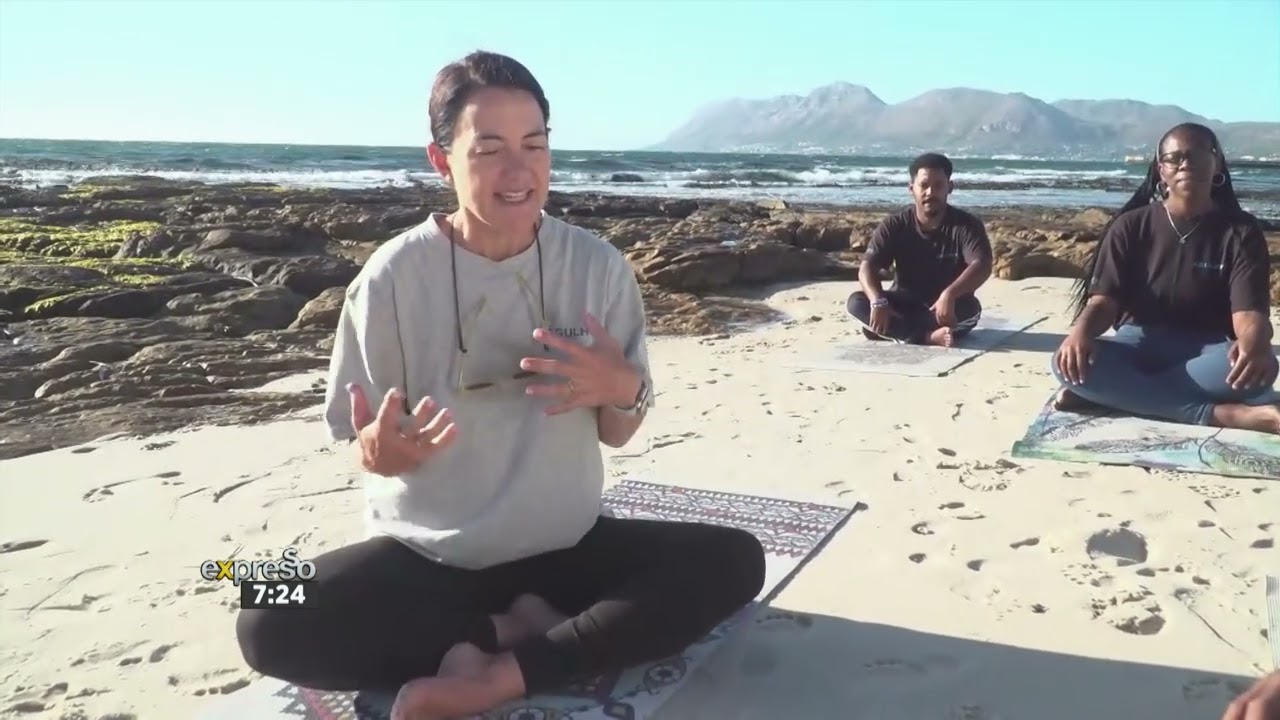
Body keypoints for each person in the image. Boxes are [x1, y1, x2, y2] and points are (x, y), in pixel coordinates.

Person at [233, 51, 766, 720]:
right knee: (264, 608)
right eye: (489, 149)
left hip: (567, 547)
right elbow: (363, 441)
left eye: (534, 145)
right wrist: (379, 453)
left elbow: (621, 432)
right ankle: (504, 632)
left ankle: (501, 674)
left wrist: (619, 385)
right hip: (426, 559)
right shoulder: (392, 279)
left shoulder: (596, 267)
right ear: (441, 160)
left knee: (734, 560)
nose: (519, 171)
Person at [1051, 122, 1280, 433]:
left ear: (1216, 164)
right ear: (1161, 170)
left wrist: (1254, 341)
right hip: (1136, 346)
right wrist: (1080, 332)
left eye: (1197, 155)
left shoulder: (1240, 231)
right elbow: (1104, 301)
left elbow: (1248, 313)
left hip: (1208, 351)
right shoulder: (1130, 226)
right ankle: (1224, 415)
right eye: (1174, 158)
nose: (1185, 163)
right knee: (1066, 364)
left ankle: (1113, 397)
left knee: (1260, 369)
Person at [846, 152, 994, 347]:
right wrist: (878, 301)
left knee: (971, 309)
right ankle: (927, 337)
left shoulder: (966, 225)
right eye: (924, 185)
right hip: (903, 304)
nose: (930, 192)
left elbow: (982, 264)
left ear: (949, 188)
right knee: (857, 302)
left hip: (946, 309)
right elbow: (868, 267)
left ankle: (896, 331)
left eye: (938, 185)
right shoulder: (894, 225)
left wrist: (950, 294)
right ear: (911, 189)